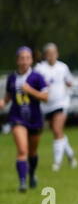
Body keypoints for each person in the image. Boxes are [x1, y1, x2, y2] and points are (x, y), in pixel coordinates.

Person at [7, 46, 47, 192]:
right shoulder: (12, 78)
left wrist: (30, 90)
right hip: (17, 118)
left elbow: (45, 97)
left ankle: (31, 174)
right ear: (17, 60)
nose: (24, 61)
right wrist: (3, 102)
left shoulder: (37, 77)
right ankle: (22, 182)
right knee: (22, 150)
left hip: (35, 119)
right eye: (21, 58)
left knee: (32, 152)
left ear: (31, 60)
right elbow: (8, 96)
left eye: (27, 58)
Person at [35, 43, 77, 170]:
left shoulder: (63, 67)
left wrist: (69, 87)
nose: (52, 56)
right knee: (57, 132)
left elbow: (69, 81)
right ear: (45, 55)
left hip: (61, 103)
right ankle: (70, 154)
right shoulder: (39, 68)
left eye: (54, 53)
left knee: (57, 130)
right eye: (49, 53)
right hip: (46, 105)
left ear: (57, 54)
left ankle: (57, 162)